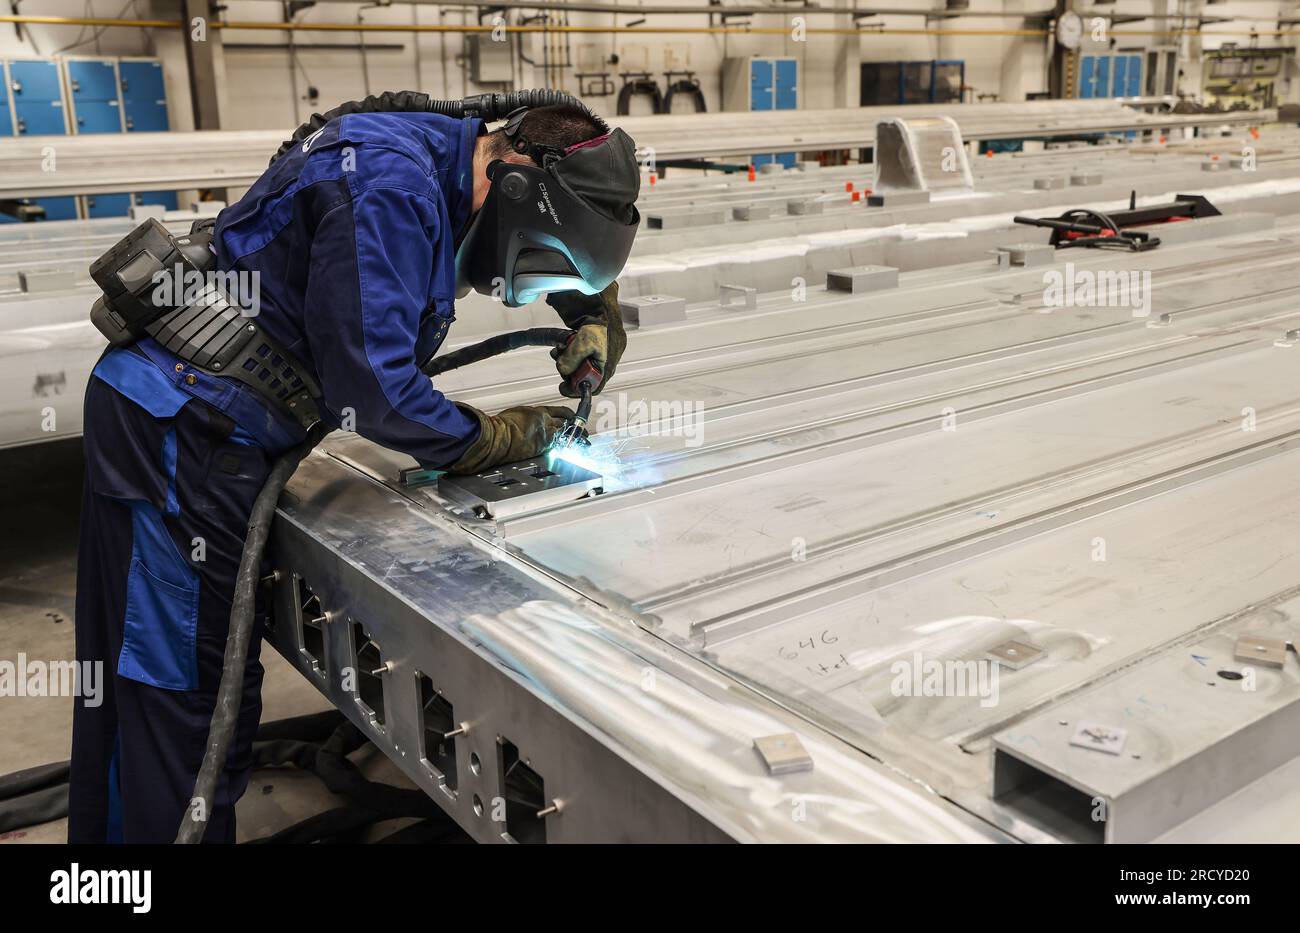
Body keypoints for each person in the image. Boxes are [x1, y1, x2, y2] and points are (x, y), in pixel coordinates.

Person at [69, 92, 640, 842]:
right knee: (179, 694)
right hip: (186, 432)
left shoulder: (455, 148)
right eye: (537, 262)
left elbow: (555, 208)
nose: (526, 282)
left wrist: (594, 308)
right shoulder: (391, 189)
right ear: (509, 185)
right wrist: (493, 438)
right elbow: (375, 391)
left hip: (188, 413)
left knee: (154, 681)